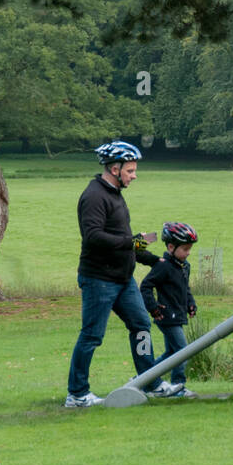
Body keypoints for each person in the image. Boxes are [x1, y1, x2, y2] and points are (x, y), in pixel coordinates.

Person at [65, 140, 177, 407]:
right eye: (130, 171)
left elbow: (123, 239)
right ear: (114, 169)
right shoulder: (94, 196)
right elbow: (93, 237)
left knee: (141, 325)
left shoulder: (114, 194)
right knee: (92, 335)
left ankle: (150, 382)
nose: (134, 176)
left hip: (123, 279)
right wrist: (132, 241)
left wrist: (153, 260)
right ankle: (77, 394)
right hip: (99, 280)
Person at [140, 221, 200, 397]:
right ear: (171, 246)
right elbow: (145, 286)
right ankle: (177, 386)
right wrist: (153, 308)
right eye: (185, 249)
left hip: (178, 314)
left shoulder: (184, 266)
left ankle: (144, 379)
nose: (188, 253)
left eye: (190, 249)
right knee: (182, 351)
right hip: (166, 316)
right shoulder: (163, 266)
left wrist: (191, 303)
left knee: (171, 353)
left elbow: (185, 288)